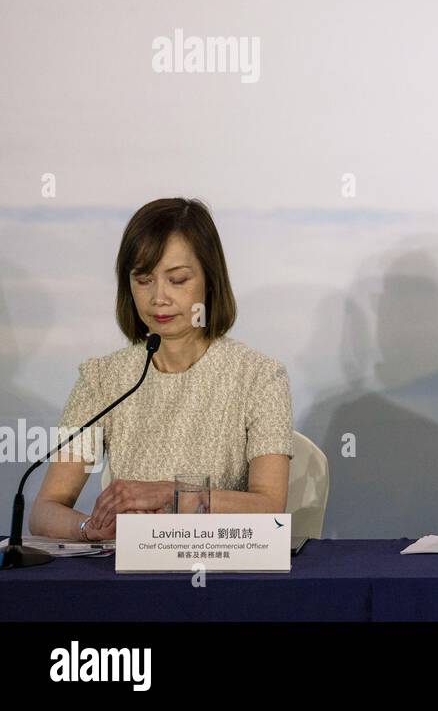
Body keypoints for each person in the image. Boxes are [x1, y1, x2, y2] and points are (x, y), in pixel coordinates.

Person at [30, 198, 294, 542]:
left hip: (224, 572)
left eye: (178, 279)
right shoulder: (102, 379)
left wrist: (173, 495)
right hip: (127, 577)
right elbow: (45, 509)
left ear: (210, 281)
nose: (159, 298)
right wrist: (91, 529)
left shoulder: (259, 376)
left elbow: (270, 507)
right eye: (143, 279)